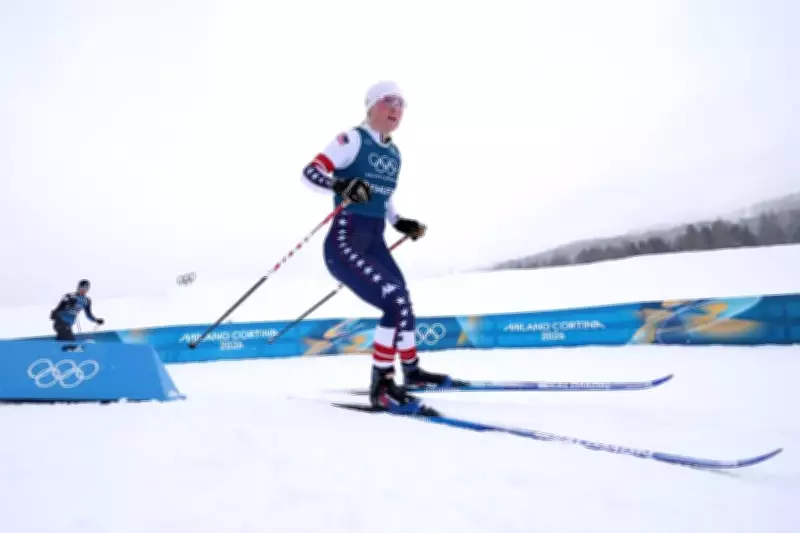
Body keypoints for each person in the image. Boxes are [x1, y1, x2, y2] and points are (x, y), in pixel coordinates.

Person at [301, 80, 465, 415]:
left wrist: (401, 222)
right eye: (389, 102)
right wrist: (341, 183)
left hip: (375, 240)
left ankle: (413, 371)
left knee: (402, 299)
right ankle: (382, 385)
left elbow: (384, 196)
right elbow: (310, 173)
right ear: (371, 106)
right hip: (346, 242)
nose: (396, 110)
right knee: (392, 301)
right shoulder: (352, 140)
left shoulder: (394, 154)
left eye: (401, 104)